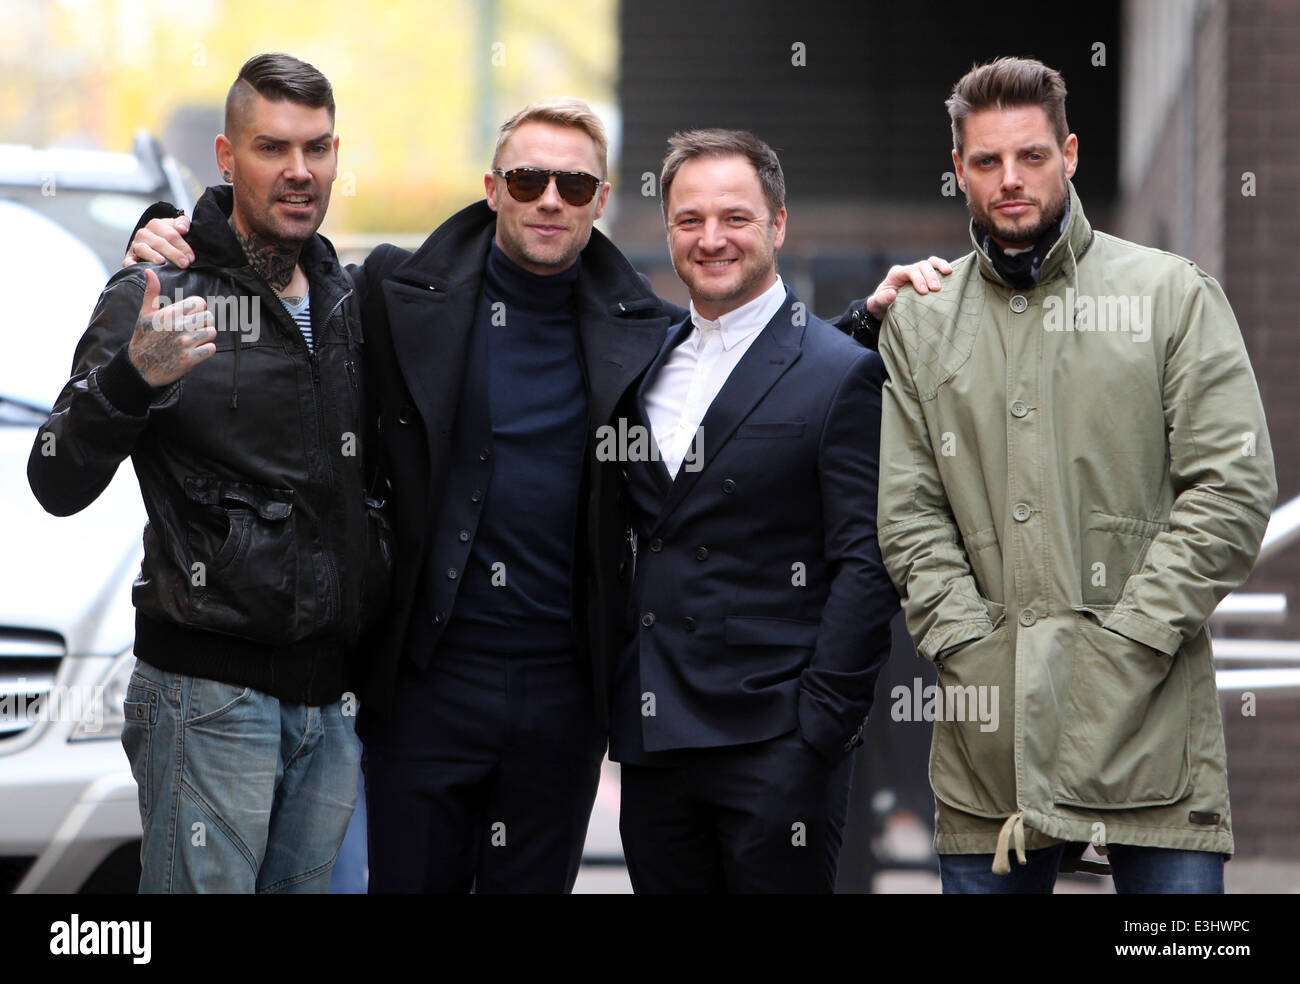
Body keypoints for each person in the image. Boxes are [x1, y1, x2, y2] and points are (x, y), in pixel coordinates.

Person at [125, 97, 944, 894]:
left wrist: (862, 324)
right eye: (527, 181)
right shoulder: (395, 295)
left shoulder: (639, 328)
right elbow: (287, 263)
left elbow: (761, 375)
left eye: (576, 186)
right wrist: (185, 226)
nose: (550, 199)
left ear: (602, 202)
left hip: (567, 701)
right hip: (425, 689)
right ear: (492, 189)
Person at [875, 56, 1277, 893]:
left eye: (1031, 156)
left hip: (1150, 730)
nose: (1010, 179)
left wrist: (1128, 641)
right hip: (990, 751)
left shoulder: (1170, 296)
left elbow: (1231, 491)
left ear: (1071, 153)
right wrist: (968, 643)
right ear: (958, 172)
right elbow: (908, 515)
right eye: (986, 162)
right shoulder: (921, 323)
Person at [28, 53, 387, 893]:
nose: (300, 171)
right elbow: (55, 476)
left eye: (319, 148)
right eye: (272, 148)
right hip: (207, 697)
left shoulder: (349, 298)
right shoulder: (159, 285)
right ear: (226, 159)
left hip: (330, 706)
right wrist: (131, 380)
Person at [607, 129, 898, 893]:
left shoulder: (841, 373)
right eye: (689, 220)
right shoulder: (643, 365)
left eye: (735, 217)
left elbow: (867, 562)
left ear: (777, 225)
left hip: (775, 745)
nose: (711, 239)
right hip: (656, 742)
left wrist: (820, 729)